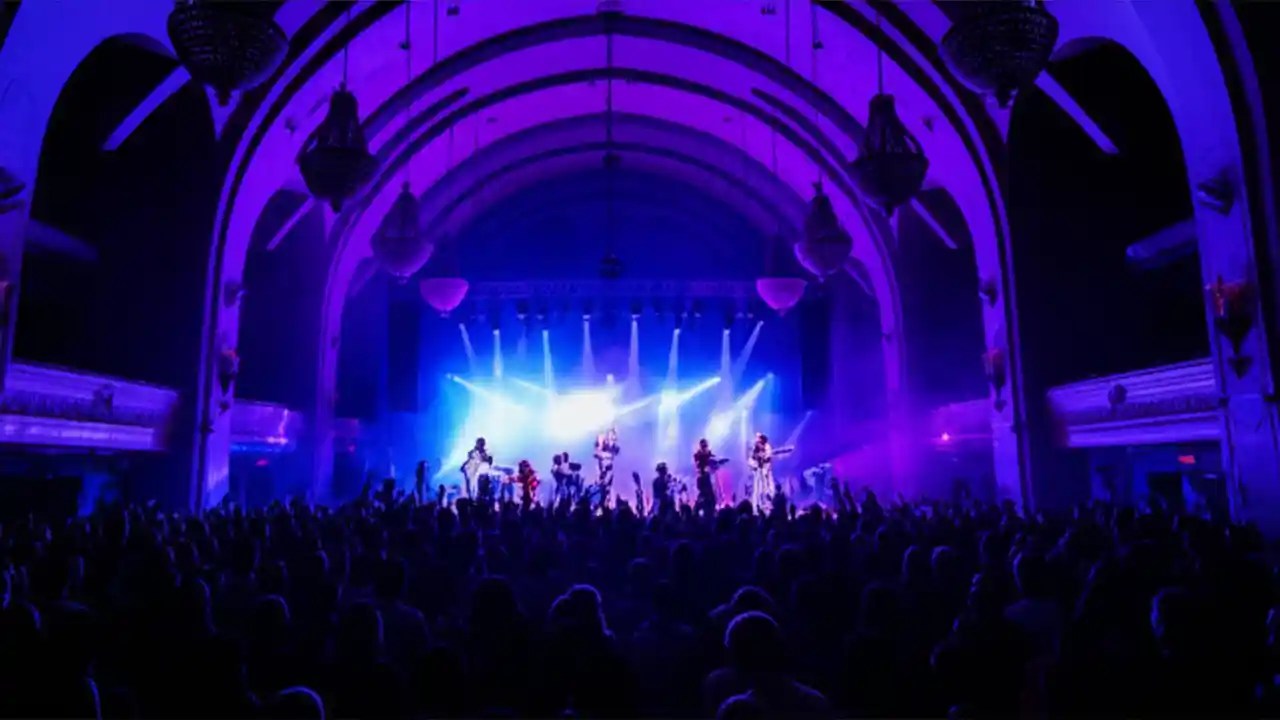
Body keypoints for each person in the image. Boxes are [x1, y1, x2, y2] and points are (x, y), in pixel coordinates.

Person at [748, 434, 774, 513]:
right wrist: (754, 464)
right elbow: (750, 460)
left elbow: (768, 458)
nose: (757, 441)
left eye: (758, 440)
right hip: (758, 473)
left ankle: (769, 507)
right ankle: (756, 509)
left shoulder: (767, 447)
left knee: (768, 491)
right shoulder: (755, 449)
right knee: (757, 491)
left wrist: (763, 458)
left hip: (766, 473)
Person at [693, 439, 718, 514]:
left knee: (711, 495)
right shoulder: (698, 455)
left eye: (705, 446)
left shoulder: (709, 454)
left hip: (707, 477)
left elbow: (714, 463)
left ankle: (711, 510)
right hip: (702, 478)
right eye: (703, 446)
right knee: (704, 495)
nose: (704, 447)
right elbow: (698, 464)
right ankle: (697, 511)